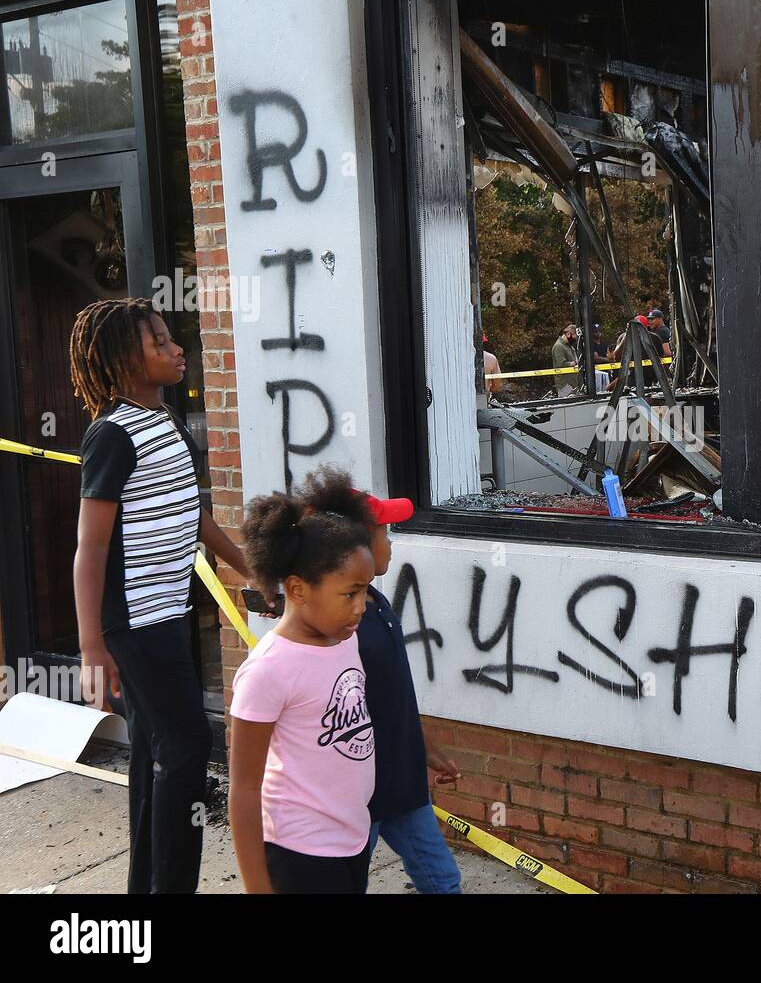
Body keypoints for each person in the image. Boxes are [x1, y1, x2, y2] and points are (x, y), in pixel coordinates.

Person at [71, 297, 249, 894]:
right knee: (187, 747)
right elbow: (90, 548)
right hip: (133, 624)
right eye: (161, 343)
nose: (177, 351)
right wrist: (93, 648)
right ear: (126, 358)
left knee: (155, 750)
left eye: (173, 340)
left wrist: (247, 567)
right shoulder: (111, 434)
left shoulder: (167, 421)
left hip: (171, 613)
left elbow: (192, 513)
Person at [309, 485, 465, 893]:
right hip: (359, 794)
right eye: (385, 532)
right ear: (356, 545)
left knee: (443, 881)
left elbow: (393, 696)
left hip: (403, 782)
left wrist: (426, 750)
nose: (391, 542)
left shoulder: (375, 602)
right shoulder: (340, 625)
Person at [228, 469, 377, 894]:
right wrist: (258, 887)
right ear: (296, 589)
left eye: (365, 592)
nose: (361, 606)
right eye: (349, 593)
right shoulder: (268, 670)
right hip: (299, 855)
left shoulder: (344, 641)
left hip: (352, 841)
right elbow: (243, 789)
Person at [551, 323, 580, 397]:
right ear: (568, 334)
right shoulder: (559, 346)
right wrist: (572, 364)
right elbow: (560, 364)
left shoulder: (569, 346)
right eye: (574, 336)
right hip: (565, 385)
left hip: (572, 384)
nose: (575, 339)